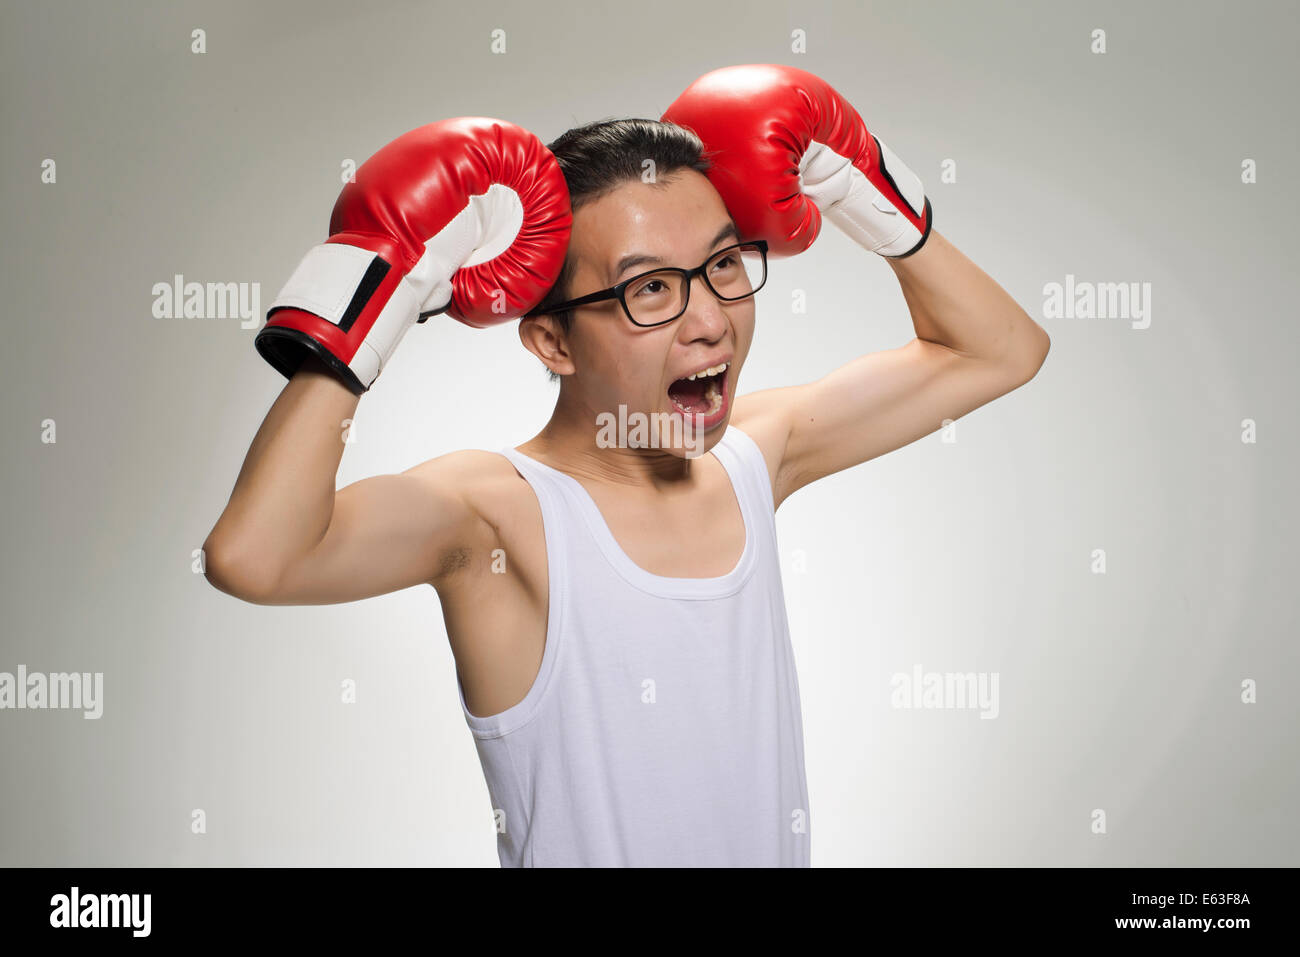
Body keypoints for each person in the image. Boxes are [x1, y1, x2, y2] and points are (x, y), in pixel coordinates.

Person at [203, 66, 1050, 867]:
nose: (711, 320)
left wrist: (872, 194)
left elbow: (1002, 350)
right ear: (550, 338)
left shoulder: (759, 452)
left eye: (723, 265)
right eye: (650, 289)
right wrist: (372, 295)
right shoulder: (497, 514)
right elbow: (255, 556)